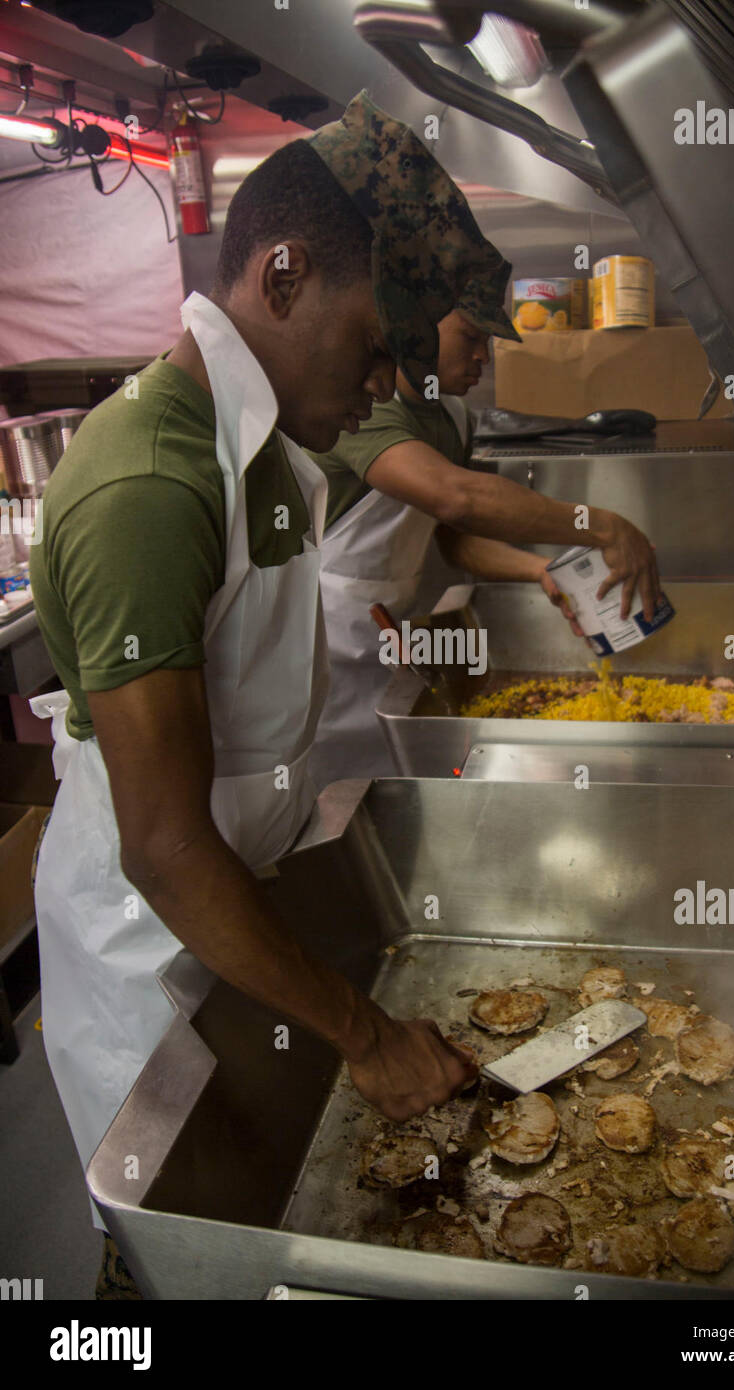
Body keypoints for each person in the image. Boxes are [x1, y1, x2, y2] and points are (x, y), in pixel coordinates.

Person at [28, 90, 503, 1291]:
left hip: (244, 909)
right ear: (282, 276)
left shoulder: (272, 447)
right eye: (373, 343)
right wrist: (367, 1033)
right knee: (184, 1261)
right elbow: (165, 848)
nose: (386, 380)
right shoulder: (149, 482)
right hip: (158, 954)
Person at [307, 278, 661, 786]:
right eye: (471, 337)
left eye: (490, 342)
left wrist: (540, 569)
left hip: (392, 633)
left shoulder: (452, 416)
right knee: (331, 786)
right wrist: (604, 527)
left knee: (392, 784)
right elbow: (456, 497)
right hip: (326, 641)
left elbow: (454, 535)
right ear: (417, 326)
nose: (484, 358)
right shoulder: (366, 406)